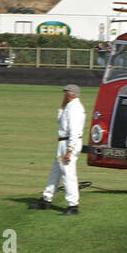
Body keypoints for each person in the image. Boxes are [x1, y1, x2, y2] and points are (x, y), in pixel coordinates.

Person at [30, 83, 85, 216]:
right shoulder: (69, 107)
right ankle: (46, 199)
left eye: (65, 93)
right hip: (63, 144)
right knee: (56, 171)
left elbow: (74, 130)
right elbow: (63, 124)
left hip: (67, 144)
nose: (64, 95)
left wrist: (70, 149)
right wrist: (61, 110)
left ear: (69, 94)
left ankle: (73, 205)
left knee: (68, 174)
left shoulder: (75, 108)